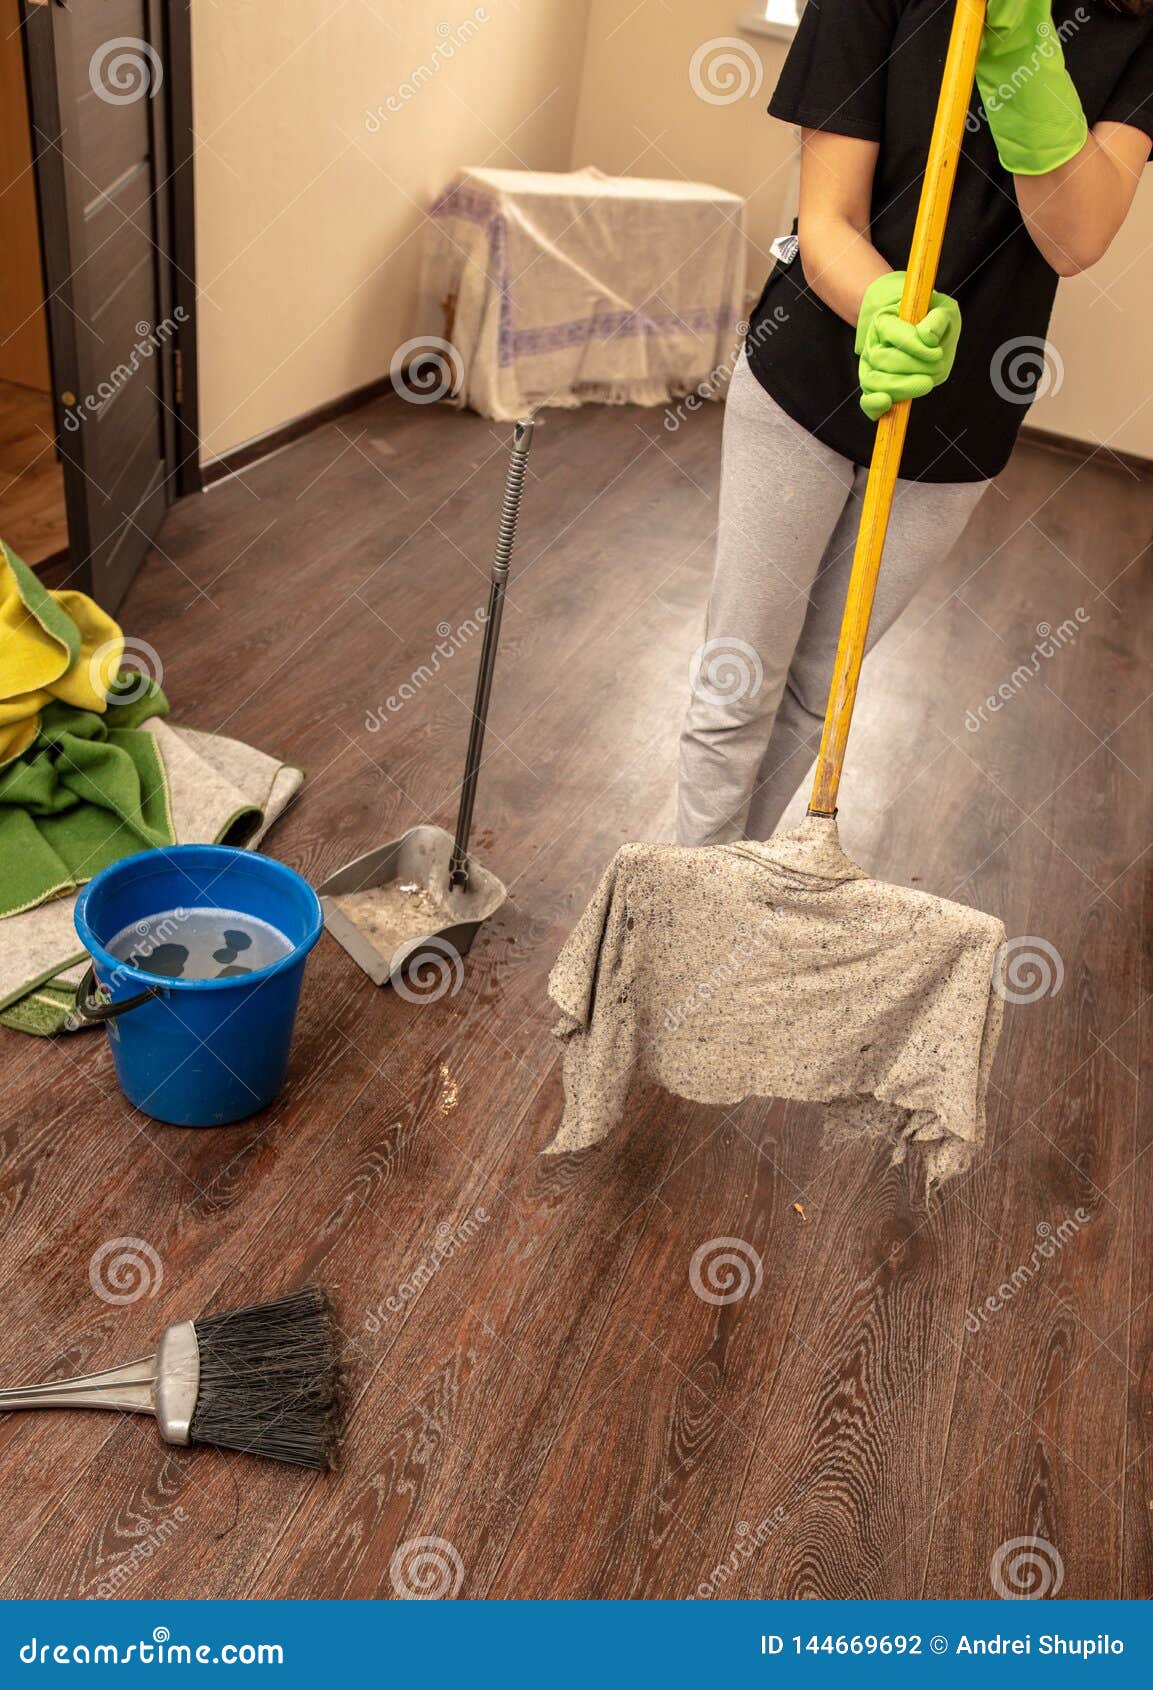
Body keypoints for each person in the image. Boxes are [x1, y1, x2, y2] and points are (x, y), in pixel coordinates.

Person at [676, 0, 1153, 846]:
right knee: (736, 688)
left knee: (817, 696)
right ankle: (673, 918)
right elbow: (828, 221)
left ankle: (725, 897)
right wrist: (879, 307)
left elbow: (1074, 239)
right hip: (812, 367)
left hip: (962, 415)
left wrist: (1021, 58)